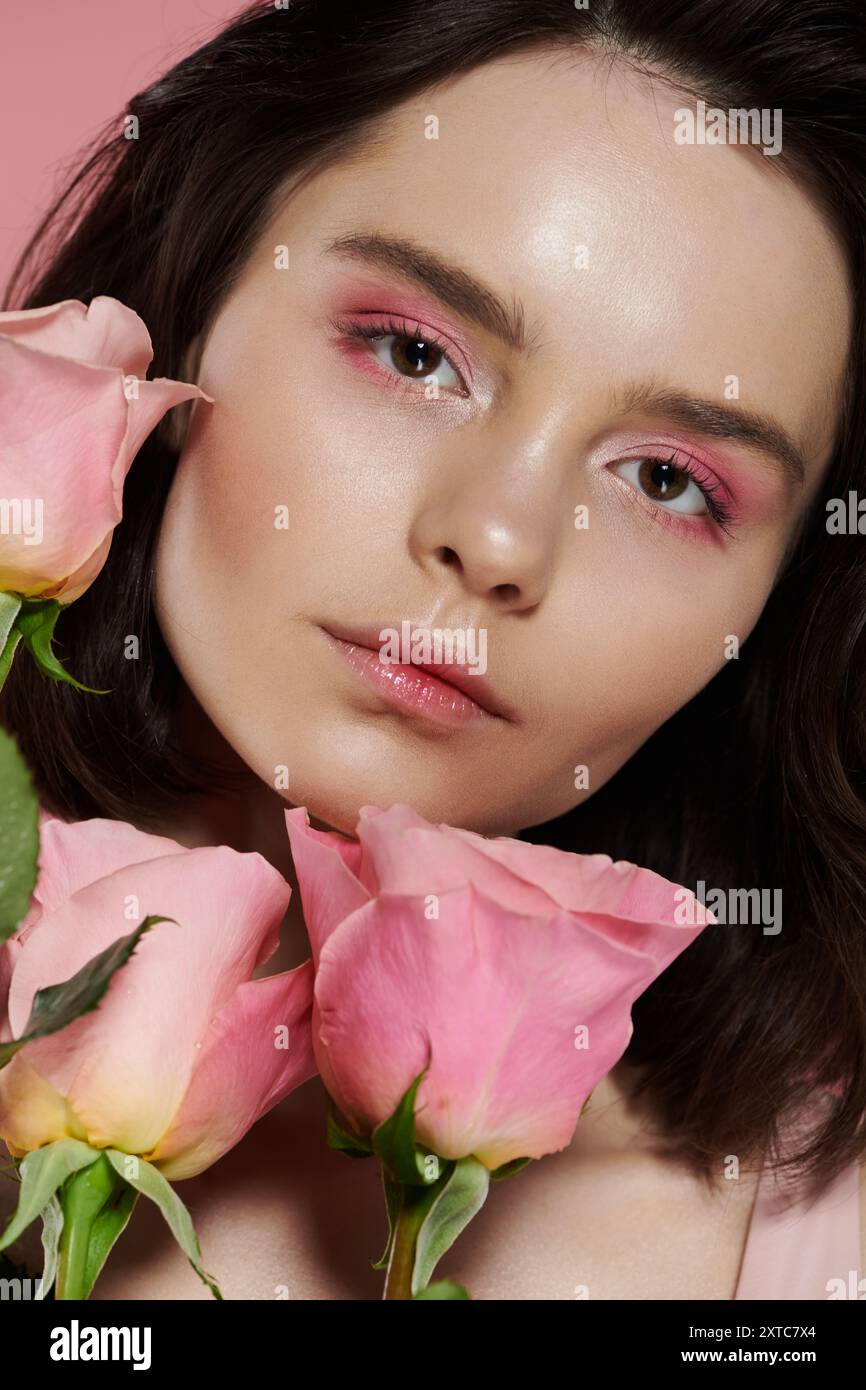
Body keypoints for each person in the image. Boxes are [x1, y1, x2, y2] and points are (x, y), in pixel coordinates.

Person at [2, 0, 865, 1299]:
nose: (500, 539)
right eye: (414, 354)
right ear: (195, 302)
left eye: (668, 481)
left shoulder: (803, 1246)